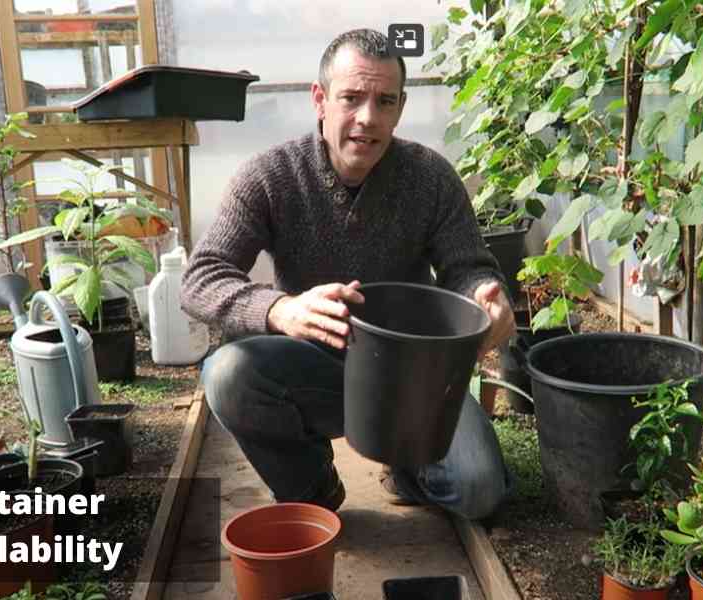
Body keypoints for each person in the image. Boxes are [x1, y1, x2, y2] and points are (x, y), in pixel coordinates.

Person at [180, 28, 515, 520]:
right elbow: (201, 277)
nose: (367, 118)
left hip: (412, 372)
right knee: (228, 374)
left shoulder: (431, 178)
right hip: (309, 364)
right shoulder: (269, 177)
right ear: (320, 99)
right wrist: (280, 309)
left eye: (385, 101)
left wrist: (488, 297)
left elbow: (468, 267)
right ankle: (313, 487)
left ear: (400, 108)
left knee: (479, 491)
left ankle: (407, 464)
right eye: (351, 98)